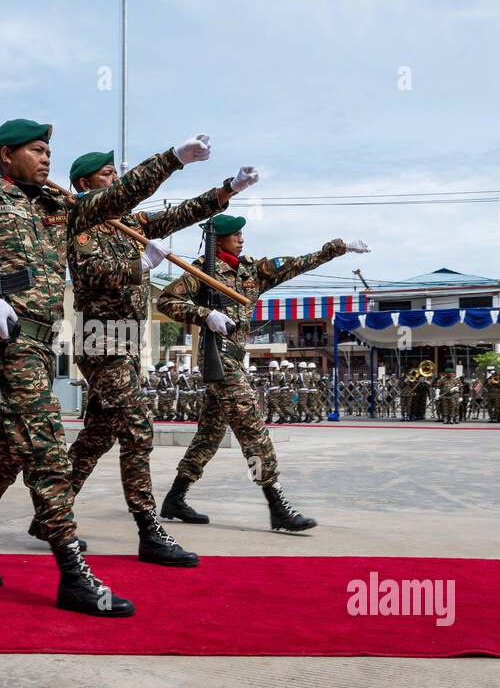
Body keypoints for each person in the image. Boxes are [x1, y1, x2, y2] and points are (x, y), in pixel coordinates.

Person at [0, 118, 211, 616]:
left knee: (6, 454)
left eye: (50, 151)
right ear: (6, 154)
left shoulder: (59, 206)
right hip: (9, 341)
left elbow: (113, 202)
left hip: (42, 341)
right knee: (49, 450)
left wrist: (174, 159)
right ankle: (73, 573)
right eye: (36, 150)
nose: (46, 158)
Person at [49, 147, 252, 565]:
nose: (115, 179)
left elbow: (178, 215)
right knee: (138, 428)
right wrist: (142, 264)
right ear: (86, 183)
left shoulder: (130, 222)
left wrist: (225, 191)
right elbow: (91, 273)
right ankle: (147, 529)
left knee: (97, 436)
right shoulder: (83, 220)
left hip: (125, 342)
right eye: (107, 174)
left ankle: (50, 515)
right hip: (100, 341)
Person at [158, 214, 368, 531]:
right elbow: (166, 299)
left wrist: (338, 248)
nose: (241, 239)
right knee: (253, 432)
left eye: (242, 234)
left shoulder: (252, 271)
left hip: (233, 360)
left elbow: (297, 263)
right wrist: (204, 314)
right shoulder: (201, 272)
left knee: (209, 435)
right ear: (219, 240)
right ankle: (276, 503)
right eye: (235, 235)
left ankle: (176, 496)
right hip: (218, 361)